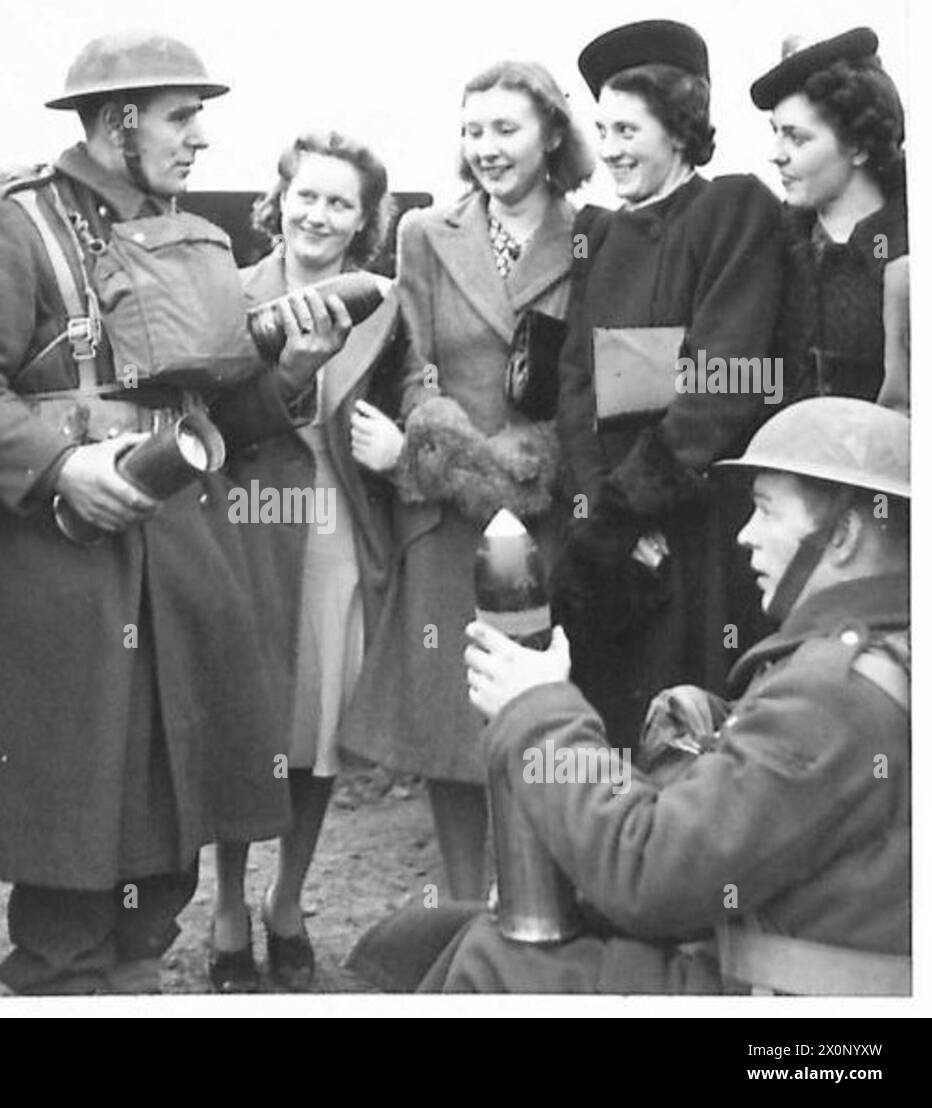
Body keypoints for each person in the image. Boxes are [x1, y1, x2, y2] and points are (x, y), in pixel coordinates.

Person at [0, 31, 340, 995]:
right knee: (70, 840)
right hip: (69, 577)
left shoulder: (186, 233)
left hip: (187, 564)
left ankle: (133, 977)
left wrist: (290, 381)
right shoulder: (7, 229)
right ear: (117, 122)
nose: (201, 138)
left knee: (171, 830)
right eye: (183, 117)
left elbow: (210, 410)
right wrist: (58, 463)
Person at [351, 396, 909, 995]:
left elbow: (647, 872)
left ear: (843, 536)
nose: (746, 536)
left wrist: (539, 707)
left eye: (767, 512)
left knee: (499, 960)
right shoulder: (881, 650)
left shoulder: (835, 693)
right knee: (433, 934)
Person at [341, 61, 595, 902]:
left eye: (506, 129)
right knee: (454, 722)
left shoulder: (594, 236)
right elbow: (411, 366)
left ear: (552, 133)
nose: (485, 148)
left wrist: (516, 476)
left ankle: (537, 908)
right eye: (472, 130)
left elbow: (585, 390)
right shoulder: (425, 233)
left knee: (534, 711)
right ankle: (458, 910)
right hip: (448, 514)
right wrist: (446, 456)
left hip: (542, 516)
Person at [551, 20, 785, 749]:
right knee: (608, 737)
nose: (611, 148)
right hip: (610, 539)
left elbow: (720, 386)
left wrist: (633, 510)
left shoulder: (731, 211)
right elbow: (578, 387)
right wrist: (600, 521)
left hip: (694, 532)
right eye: (602, 129)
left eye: (629, 128)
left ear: (680, 128)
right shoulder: (602, 233)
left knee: (684, 739)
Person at [210, 131, 403, 991]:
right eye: (307, 195)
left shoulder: (388, 304)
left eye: (340, 203)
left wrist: (402, 441)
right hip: (243, 518)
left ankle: (287, 900)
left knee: (313, 730)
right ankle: (224, 903)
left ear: (365, 222)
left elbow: (419, 392)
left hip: (332, 526)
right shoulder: (228, 290)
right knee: (245, 718)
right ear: (278, 198)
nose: (318, 214)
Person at [751, 27, 907, 407]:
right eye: (776, 133)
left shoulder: (908, 252)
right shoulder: (767, 246)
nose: (776, 154)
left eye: (797, 138)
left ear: (857, 145)